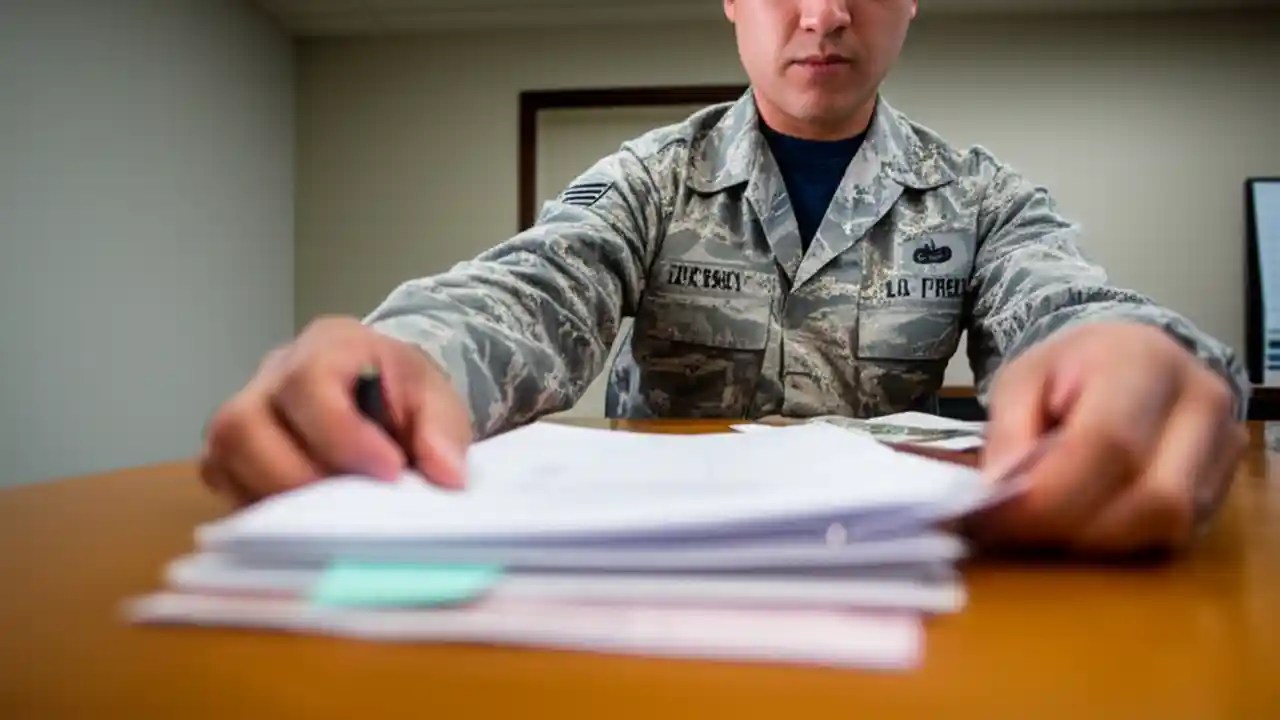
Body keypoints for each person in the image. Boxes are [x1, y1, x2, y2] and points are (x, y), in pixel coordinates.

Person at [200, 0, 1249, 556]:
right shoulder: (652, 178)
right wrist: (410, 357)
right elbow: (533, 287)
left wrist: (1125, 358)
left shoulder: (978, 196)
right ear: (730, 2)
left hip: (879, 570)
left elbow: (1063, 304)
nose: (824, 13)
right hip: (657, 573)